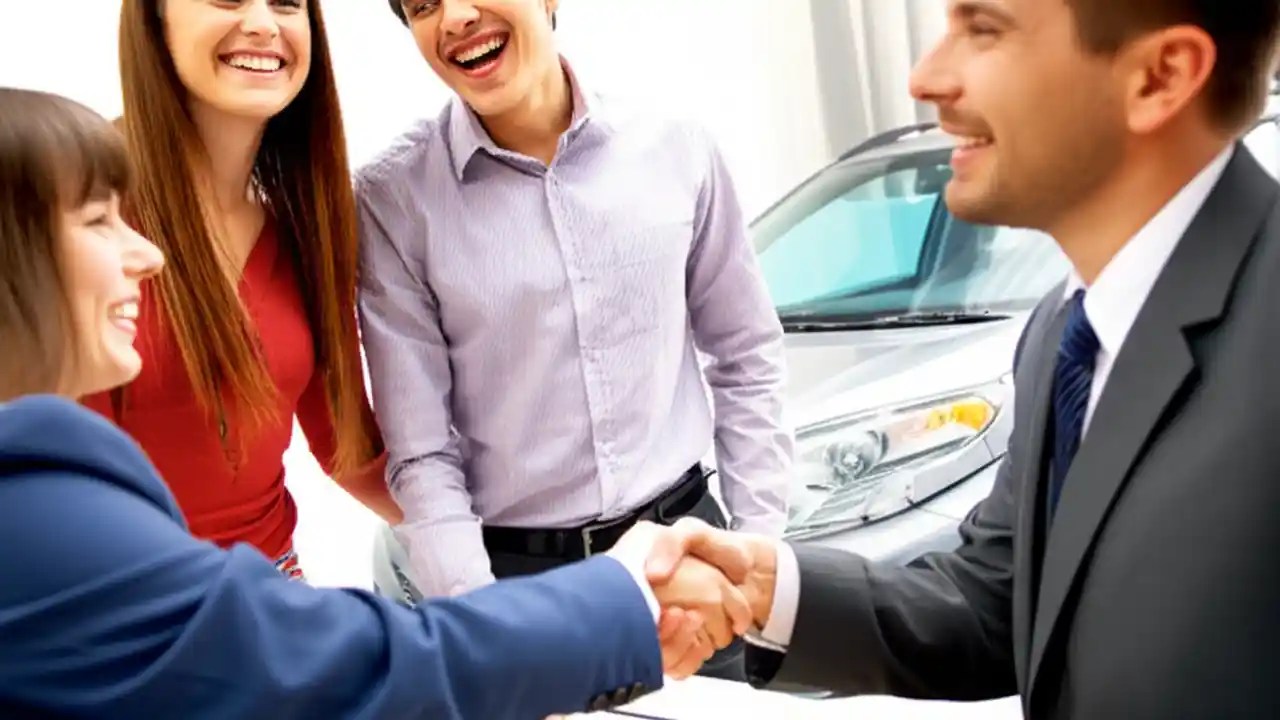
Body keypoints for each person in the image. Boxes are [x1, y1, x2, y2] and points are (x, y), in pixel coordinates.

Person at [0, 86, 754, 718]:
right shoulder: (44, 501)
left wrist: (487, 532)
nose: (146, 253)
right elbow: (369, 664)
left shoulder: (293, 232)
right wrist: (621, 593)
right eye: (99, 221)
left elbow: (352, 450)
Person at [646, 0, 1280, 716]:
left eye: (983, 30)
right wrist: (767, 589)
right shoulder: (1062, 336)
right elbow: (997, 602)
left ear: (1160, 76)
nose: (924, 78)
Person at [359, 0, 793, 679]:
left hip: (692, 560)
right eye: (422, 6)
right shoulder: (392, 200)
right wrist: (484, 628)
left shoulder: (675, 145)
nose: (455, 17)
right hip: (521, 589)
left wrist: (754, 548)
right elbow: (421, 454)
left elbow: (745, 355)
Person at [78, 0, 400, 580]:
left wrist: (500, 550)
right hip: (109, 597)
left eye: (287, 3)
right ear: (154, 20)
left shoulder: (304, 231)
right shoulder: (71, 205)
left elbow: (348, 450)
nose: (262, 23)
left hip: (270, 586)